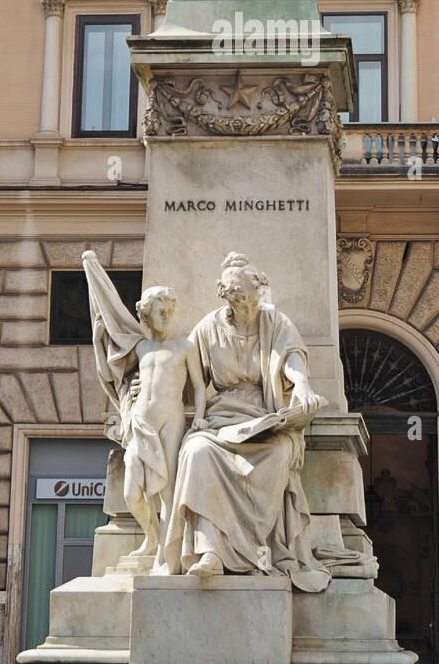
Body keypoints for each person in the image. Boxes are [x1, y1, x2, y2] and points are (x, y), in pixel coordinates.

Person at [160, 253, 330, 591]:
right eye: (241, 304)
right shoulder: (208, 328)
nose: (249, 311)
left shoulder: (275, 321)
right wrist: (148, 383)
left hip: (266, 417)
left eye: (253, 302)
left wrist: (302, 385)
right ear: (227, 297)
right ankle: (210, 552)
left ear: (259, 294)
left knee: (281, 451)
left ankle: (257, 551)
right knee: (196, 451)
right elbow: (182, 367)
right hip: (221, 417)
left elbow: (292, 355)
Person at [82, 253, 207, 568]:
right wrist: (98, 343)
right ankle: (151, 536)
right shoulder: (139, 348)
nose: (166, 316)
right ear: (147, 316)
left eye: (169, 311)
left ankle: (168, 550)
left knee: (169, 491)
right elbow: (111, 375)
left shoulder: (185, 347)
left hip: (172, 420)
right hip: (141, 422)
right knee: (132, 493)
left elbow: (201, 386)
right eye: (159, 312)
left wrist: (201, 417)